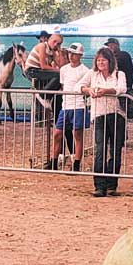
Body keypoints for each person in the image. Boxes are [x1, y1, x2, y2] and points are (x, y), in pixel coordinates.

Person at [79, 48, 127, 197]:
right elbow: (78, 86)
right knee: (100, 151)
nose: (101, 63)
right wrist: (88, 90)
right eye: (98, 60)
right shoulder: (92, 74)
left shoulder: (119, 74)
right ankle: (99, 186)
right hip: (98, 115)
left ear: (110, 61)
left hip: (117, 115)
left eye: (103, 60)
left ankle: (112, 185)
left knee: (115, 151)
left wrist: (105, 91)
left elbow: (122, 88)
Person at [44, 43, 90, 171]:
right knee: (57, 133)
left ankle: (76, 163)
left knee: (77, 135)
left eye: (74, 54)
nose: (71, 56)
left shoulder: (85, 71)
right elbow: (64, 86)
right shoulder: (64, 70)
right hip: (66, 105)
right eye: (70, 53)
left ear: (80, 55)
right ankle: (54, 161)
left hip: (78, 105)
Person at [25, 32, 66, 115]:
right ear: (49, 39)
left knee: (60, 77)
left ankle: (47, 98)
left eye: (58, 43)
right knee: (59, 75)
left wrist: (60, 52)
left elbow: (62, 66)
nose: (56, 44)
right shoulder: (42, 46)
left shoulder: (52, 51)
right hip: (32, 71)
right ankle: (42, 95)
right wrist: (58, 71)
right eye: (54, 42)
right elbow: (43, 66)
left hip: (40, 72)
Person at [105, 37, 133, 118]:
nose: (110, 47)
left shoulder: (123, 55)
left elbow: (115, 65)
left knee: (120, 115)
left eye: (112, 45)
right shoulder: (110, 58)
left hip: (122, 88)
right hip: (113, 89)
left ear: (117, 45)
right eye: (109, 46)